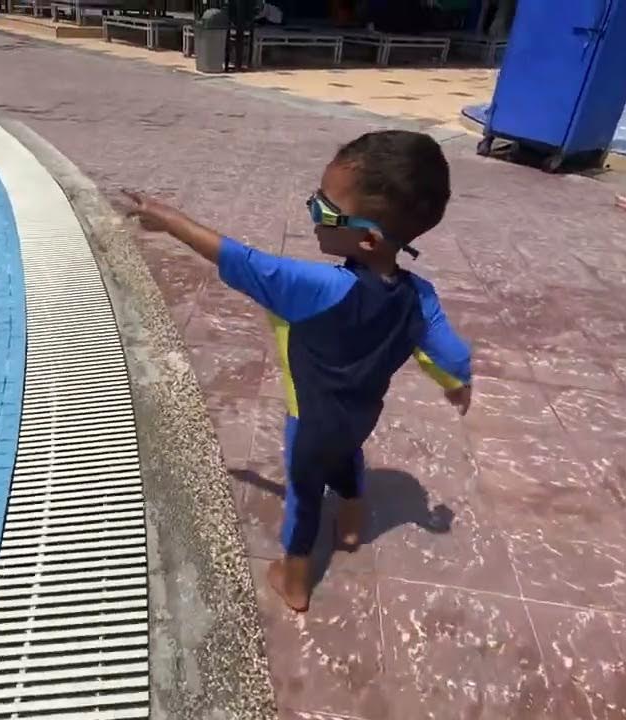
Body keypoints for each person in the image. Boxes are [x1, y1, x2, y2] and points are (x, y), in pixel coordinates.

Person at [122, 130, 474, 613]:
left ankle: (293, 581)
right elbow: (451, 354)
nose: (312, 211)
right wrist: (457, 387)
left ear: (368, 238)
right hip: (360, 416)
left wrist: (168, 220)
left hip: (310, 421)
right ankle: (351, 526)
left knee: (304, 498)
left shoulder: (317, 287)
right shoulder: (420, 296)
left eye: (323, 209)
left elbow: (241, 261)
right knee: (347, 457)